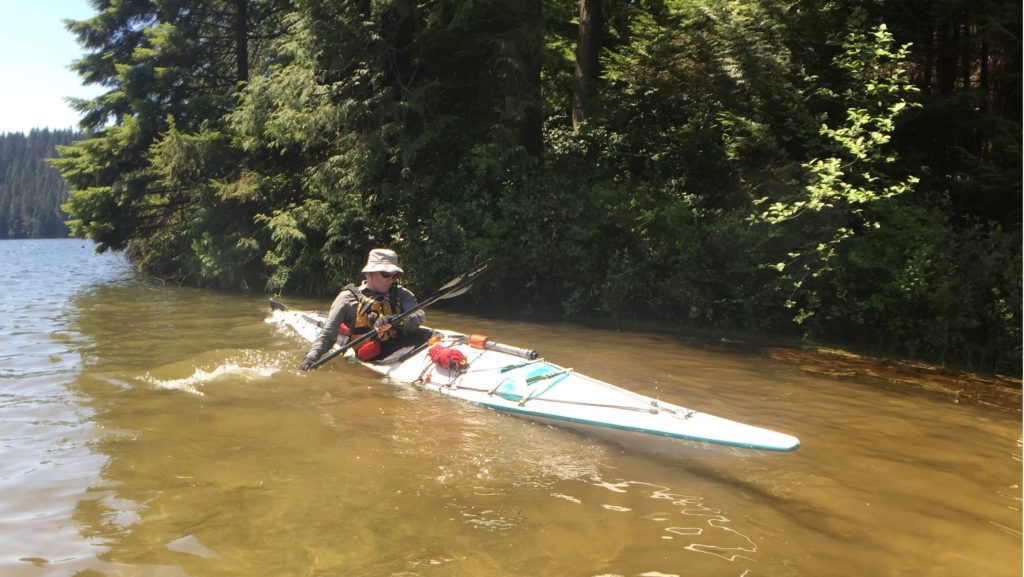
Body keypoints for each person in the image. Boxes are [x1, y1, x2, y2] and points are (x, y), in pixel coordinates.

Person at [298, 248, 429, 370]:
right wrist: (311, 357)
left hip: (398, 344)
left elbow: (419, 314)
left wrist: (397, 321)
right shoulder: (347, 299)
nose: (390, 280)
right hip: (370, 352)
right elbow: (328, 336)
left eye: (394, 276)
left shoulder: (401, 293)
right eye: (386, 274)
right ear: (370, 273)